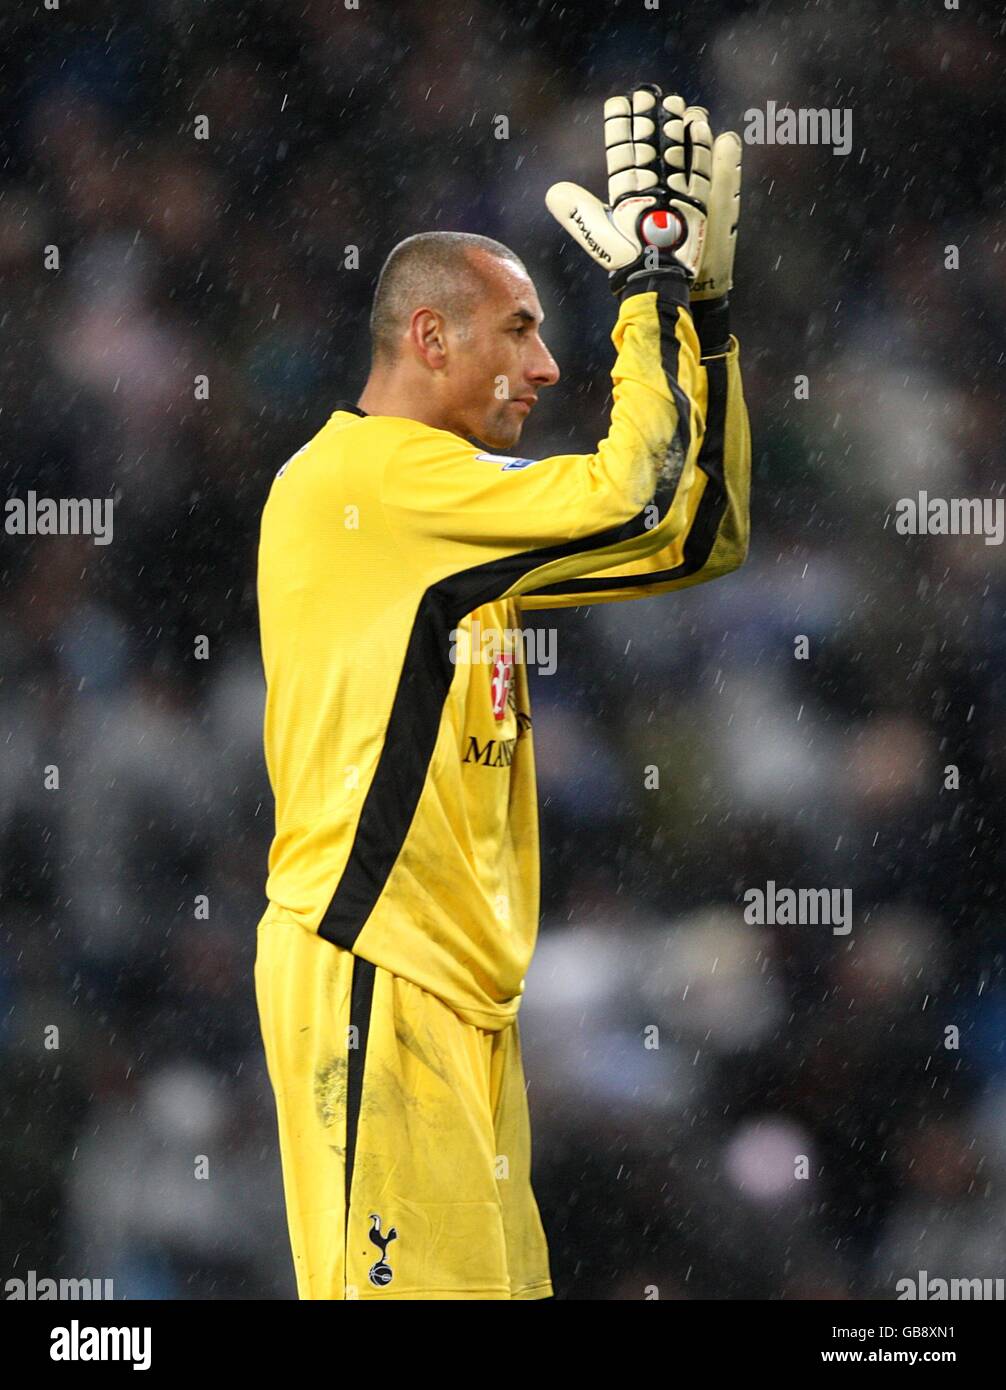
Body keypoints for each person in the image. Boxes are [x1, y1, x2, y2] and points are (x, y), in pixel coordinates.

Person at [254, 85, 750, 1300]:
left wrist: (710, 325)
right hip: (375, 963)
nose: (545, 362)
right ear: (429, 338)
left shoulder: (457, 516)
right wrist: (649, 290)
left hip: (465, 996)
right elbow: (630, 484)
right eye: (518, 330)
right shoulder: (370, 487)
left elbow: (696, 534)